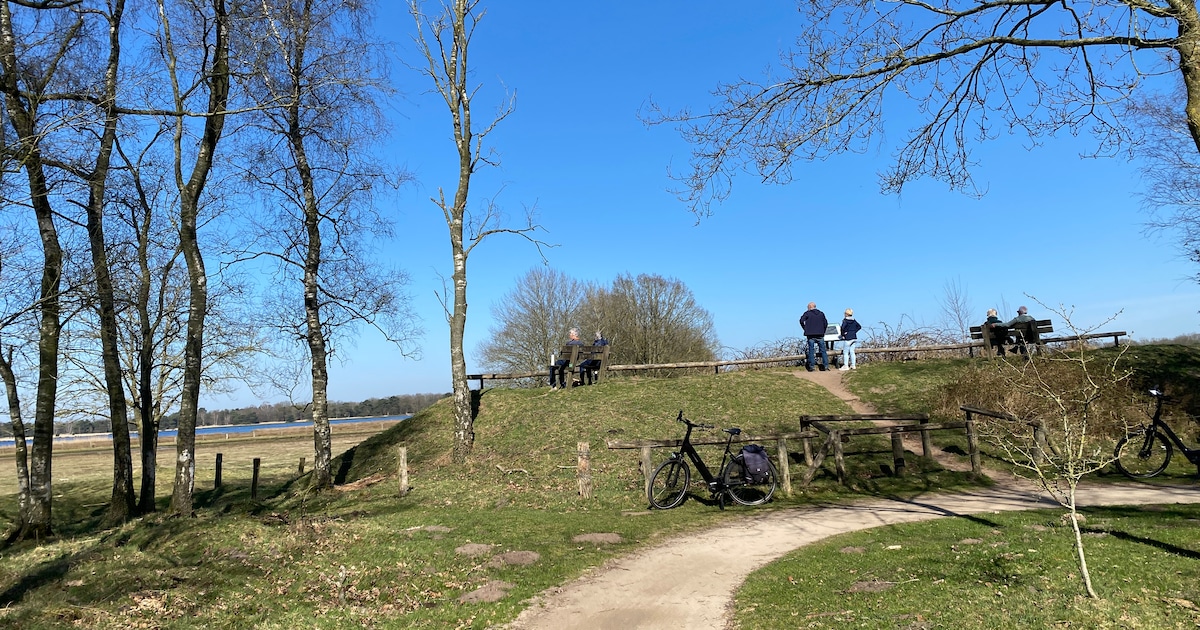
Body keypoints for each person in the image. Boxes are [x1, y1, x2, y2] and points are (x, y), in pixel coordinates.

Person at [799, 302, 829, 372]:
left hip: (810, 335)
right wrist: (823, 331)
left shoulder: (807, 313)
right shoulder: (821, 314)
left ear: (809, 307)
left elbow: (801, 320)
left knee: (811, 350)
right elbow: (826, 323)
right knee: (823, 351)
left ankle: (812, 366)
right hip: (820, 334)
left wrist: (805, 328)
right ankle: (826, 366)